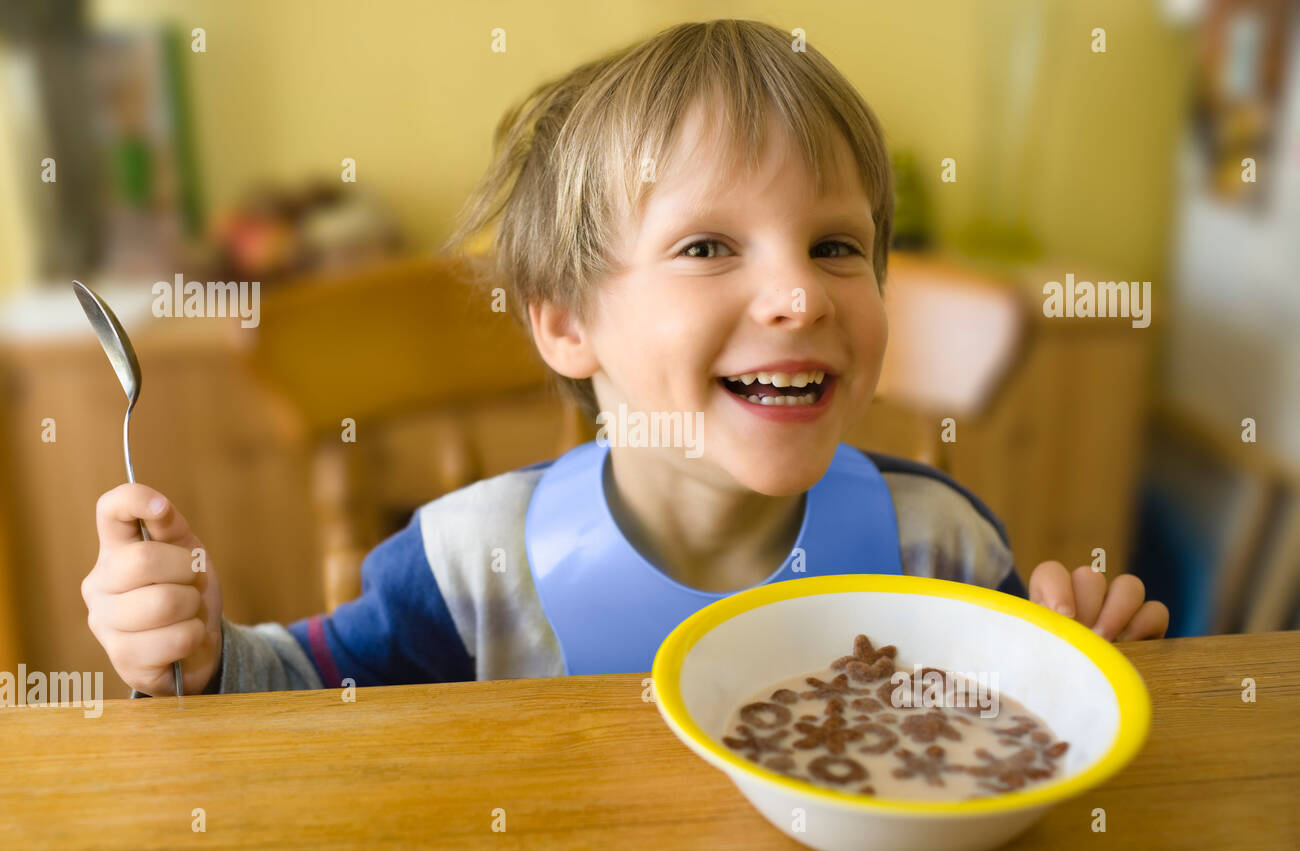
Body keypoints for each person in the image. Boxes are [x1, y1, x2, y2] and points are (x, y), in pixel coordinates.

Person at [81, 19, 1168, 698]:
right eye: (706, 247)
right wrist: (197, 649)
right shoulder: (470, 568)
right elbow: (297, 691)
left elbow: (1009, 729)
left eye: (837, 246)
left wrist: (1075, 664)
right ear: (563, 323)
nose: (798, 294)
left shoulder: (940, 545)